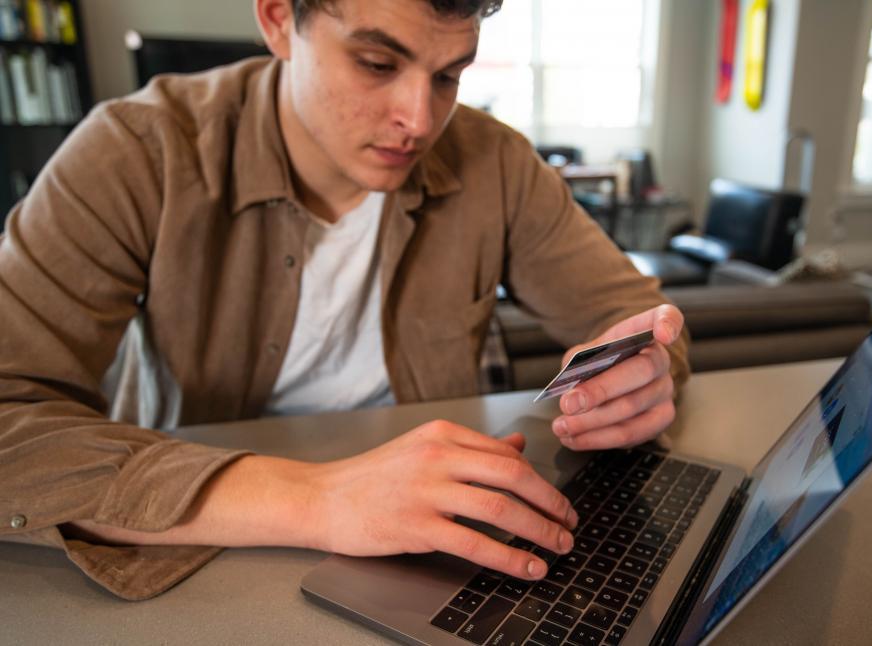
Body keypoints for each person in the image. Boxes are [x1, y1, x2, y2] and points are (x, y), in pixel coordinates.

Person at [0, 0, 688, 600]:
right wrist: (319, 498)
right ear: (278, 20)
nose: (419, 120)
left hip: (434, 548)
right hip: (196, 548)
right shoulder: (137, 151)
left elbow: (632, 317)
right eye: (376, 63)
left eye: (449, 75)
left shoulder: (497, 162)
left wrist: (639, 375)